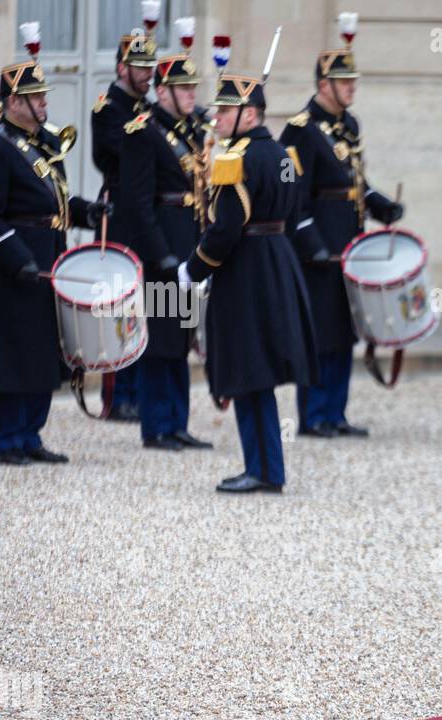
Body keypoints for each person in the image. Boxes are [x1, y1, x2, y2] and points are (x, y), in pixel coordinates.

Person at [0, 52, 110, 464]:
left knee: (44, 350)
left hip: (48, 257)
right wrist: (17, 260)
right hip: (13, 266)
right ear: (13, 103)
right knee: (12, 354)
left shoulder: (38, 143)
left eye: (43, 96)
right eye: (36, 97)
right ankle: (4, 440)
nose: (45, 103)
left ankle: (30, 434)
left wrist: (88, 212)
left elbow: (54, 202)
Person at [178, 69, 317, 493]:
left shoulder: (234, 159)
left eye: (226, 110)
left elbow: (226, 229)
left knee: (248, 370)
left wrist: (194, 269)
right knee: (260, 375)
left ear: (250, 115)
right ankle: (267, 468)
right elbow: (292, 217)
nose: (217, 118)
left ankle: (262, 470)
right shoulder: (281, 155)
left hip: (246, 271)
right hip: (277, 260)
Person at [280, 28, 404, 439]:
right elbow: (293, 199)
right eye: (344, 82)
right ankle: (313, 414)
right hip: (318, 250)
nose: (352, 88)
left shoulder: (349, 124)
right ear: (323, 85)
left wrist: (380, 203)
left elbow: (355, 181)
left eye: (353, 81)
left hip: (350, 247)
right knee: (319, 332)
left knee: (345, 331)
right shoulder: (301, 129)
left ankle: (335, 411)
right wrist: (311, 244)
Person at [117, 24, 212, 452]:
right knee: (160, 340)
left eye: (193, 87)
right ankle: (156, 425)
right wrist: (162, 257)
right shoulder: (143, 132)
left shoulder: (191, 130)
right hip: (162, 250)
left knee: (182, 336)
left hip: (189, 242)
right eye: (183, 87)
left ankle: (177, 422)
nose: (191, 94)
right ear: (163, 91)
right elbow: (137, 204)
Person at [90, 28, 157, 423]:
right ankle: (118, 396)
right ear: (121, 68)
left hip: (150, 209)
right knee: (122, 302)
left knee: (155, 301)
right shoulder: (108, 108)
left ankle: (145, 390)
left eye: (150, 66)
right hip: (123, 209)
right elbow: (111, 153)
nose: (148, 73)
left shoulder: (149, 108)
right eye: (140, 66)